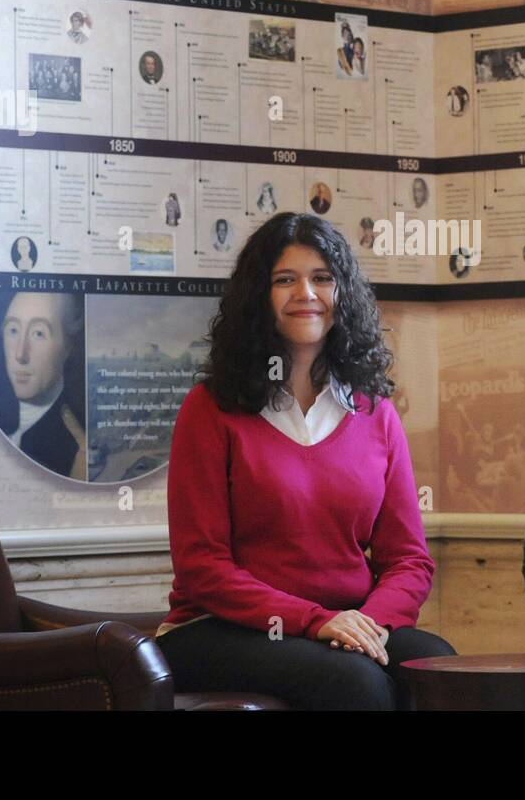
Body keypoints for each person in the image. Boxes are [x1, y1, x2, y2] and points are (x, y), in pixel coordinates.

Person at [155, 213, 454, 709]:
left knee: (438, 666)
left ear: (343, 294)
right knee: (354, 681)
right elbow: (202, 567)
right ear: (259, 296)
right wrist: (316, 620)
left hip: (345, 619)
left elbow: (409, 559)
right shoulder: (210, 409)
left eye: (321, 278)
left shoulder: (374, 411)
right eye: (285, 280)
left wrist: (370, 622)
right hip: (218, 629)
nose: (306, 293)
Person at [1, 291, 87, 479]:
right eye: (13, 330)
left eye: (38, 333)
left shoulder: (75, 450)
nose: (20, 354)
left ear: (68, 347)